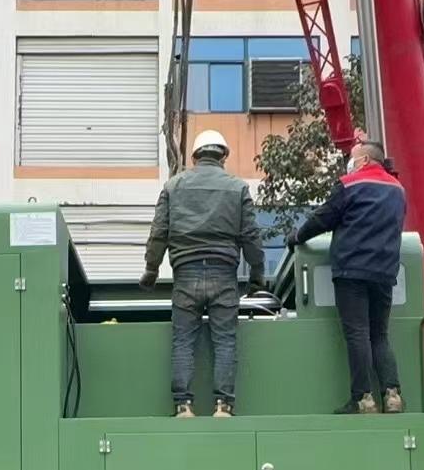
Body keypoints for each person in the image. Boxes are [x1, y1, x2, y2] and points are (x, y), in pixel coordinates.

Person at [141, 129, 264, 418]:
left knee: (183, 340)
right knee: (225, 340)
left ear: (195, 157)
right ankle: (224, 406)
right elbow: (251, 235)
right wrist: (257, 274)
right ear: (223, 157)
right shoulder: (238, 188)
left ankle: (183, 406)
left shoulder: (173, 186)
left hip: (185, 274)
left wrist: (151, 269)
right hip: (224, 274)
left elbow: (159, 232)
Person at [288, 141, 405, 415]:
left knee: (357, 333)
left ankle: (363, 398)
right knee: (380, 335)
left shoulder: (350, 184)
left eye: (352, 157)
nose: (349, 162)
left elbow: (323, 218)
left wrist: (297, 236)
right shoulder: (398, 189)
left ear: (365, 160)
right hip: (385, 272)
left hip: (352, 269)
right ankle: (392, 395)